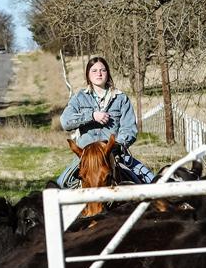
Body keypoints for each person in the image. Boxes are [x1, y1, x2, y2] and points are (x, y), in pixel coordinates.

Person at [57, 55, 156, 185]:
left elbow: (129, 129)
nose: (99, 73)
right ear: (88, 75)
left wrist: (115, 145)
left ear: (107, 73)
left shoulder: (121, 99)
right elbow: (65, 121)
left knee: (151, 180)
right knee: (58, 186)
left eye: (102, 70)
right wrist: (92, 116)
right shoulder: (79, 98)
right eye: (94, 70)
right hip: (86, 157)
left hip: (114, 155)